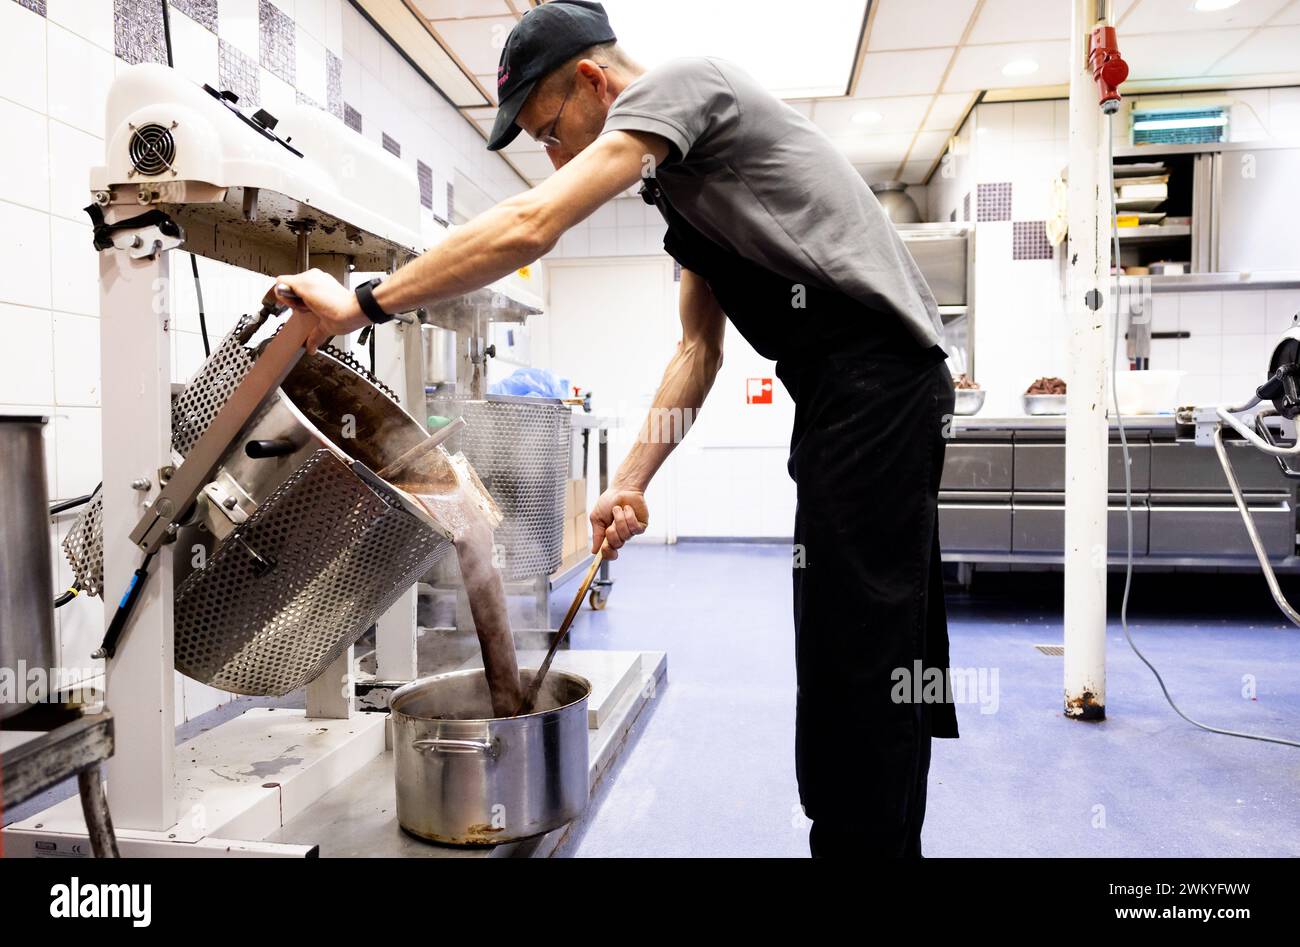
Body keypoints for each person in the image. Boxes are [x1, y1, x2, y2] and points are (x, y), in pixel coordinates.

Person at [275, 0, 958, 857]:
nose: (555, 157)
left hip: (878, 381)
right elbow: (696, 354)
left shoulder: (684, 86)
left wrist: (363, 302)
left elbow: (535, 222)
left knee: (856, 656)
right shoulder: (686, 191)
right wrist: (631, 479)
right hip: (848, 397)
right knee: (868, 643)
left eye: (548, 131)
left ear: (593, 81)